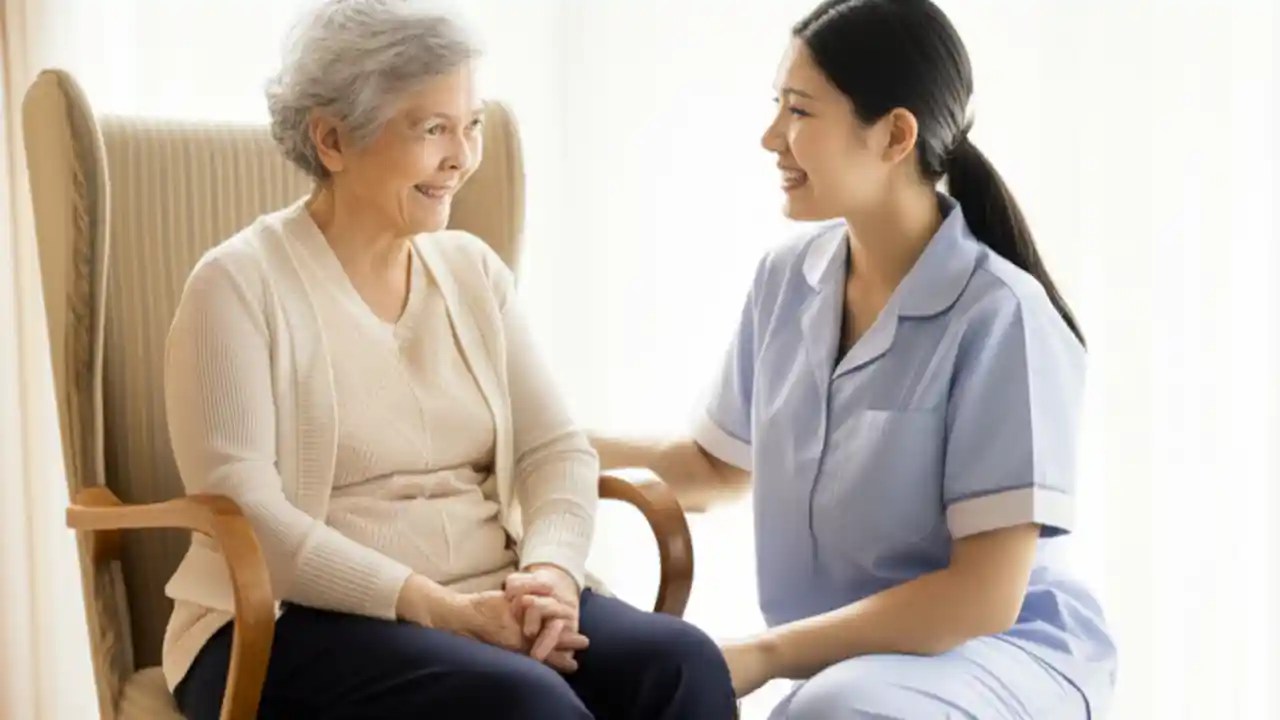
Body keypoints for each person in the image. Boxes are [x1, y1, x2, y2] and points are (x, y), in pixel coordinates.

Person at [160, 2, 736, 718]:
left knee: (681, 664)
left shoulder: (472, 272)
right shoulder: (238, 286)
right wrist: (442, 610)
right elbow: (248, 515)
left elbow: (556, 450)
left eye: (471, 124)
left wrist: (550, 575)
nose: (462, 157)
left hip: (487, 591)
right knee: (525, 703)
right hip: (286, 624)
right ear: (332, 139)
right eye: (432, 129)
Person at [592, 0, 1117, 717]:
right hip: (855, 666)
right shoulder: (787, 280)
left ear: (896, 134)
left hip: (1001, 655)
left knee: (833, 710)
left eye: (800, 112)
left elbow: (982, 596)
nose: (771, 137)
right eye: (777, 107)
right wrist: (537, 445)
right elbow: (712, 468)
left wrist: (761, 653)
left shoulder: (1002, 317)